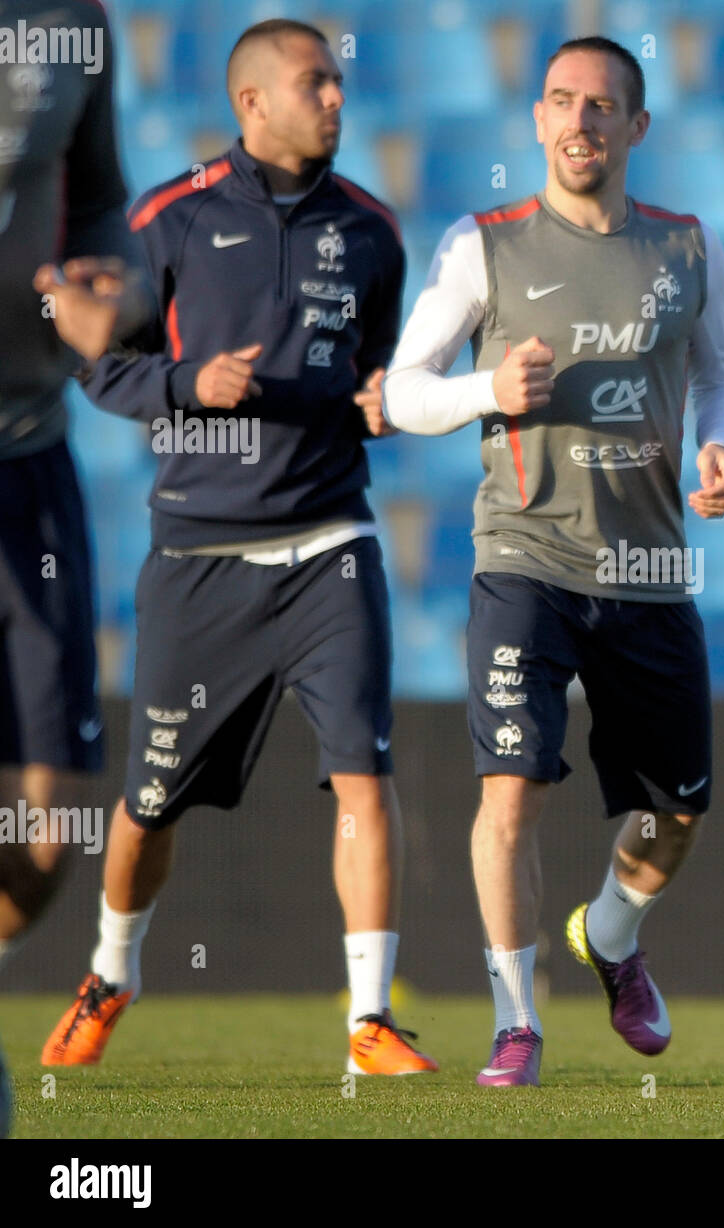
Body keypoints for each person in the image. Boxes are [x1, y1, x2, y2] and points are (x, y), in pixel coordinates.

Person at [40, 19, 435, 1077]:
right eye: (316, 84)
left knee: (363, 770)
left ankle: (369, 1016)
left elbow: (384, 367)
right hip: (200, 556)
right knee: (150, 796)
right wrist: (187, 386)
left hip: (331, 544)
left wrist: (386, 403)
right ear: (252, 103)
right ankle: (112, 971)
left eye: (342, 84)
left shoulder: (373, 230)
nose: (338, 100)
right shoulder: (168, 217)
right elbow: (93, 363)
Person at [384, 36, 724, 1086]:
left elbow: (723, 375)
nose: (579, 122)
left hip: (648, 573)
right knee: (511, 790)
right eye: (560, 102)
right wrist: (485, 393)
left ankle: (614, 935)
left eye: (601, 106)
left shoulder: (687, 246)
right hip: (524, 561)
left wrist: (721, 444)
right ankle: (517, 1021)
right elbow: (404, 389)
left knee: (674, 811)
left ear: (637, 128)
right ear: (537, 121)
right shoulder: (482, 244)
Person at [0, 0, 151, 1136]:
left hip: (27, 449)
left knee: (45, 832)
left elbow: (100, 193)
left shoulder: (73, 25)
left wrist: (103, 287)